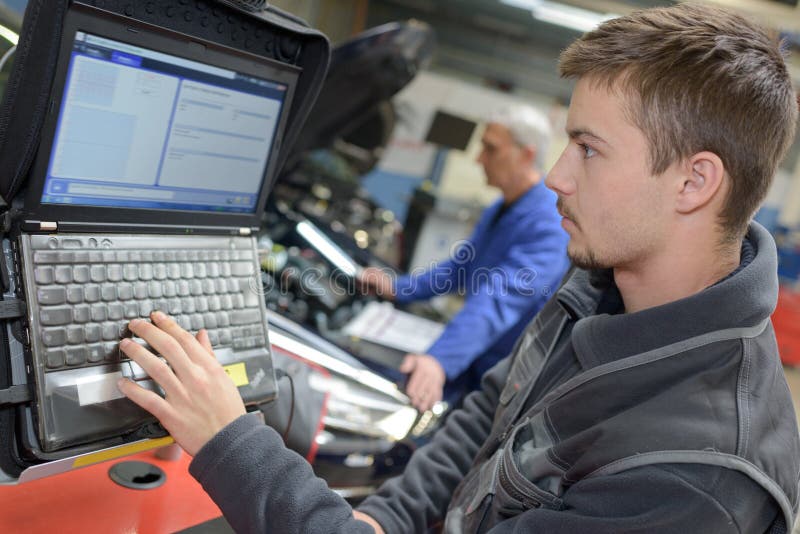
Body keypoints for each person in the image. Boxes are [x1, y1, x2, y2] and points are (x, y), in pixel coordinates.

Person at [117, 4, 800, 533]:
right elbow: (493, 415)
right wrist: (387, 516)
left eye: (589, 149)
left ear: (694, 182)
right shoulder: (603, 283)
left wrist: (229, 440)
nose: (557, 177)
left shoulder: (690, 478)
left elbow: (496, 298)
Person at [360, 105, 569, 411]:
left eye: (490, 149)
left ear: (526, 154)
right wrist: (398, 288)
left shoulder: (549, 222)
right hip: (477, 355)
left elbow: (501, 297)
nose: (479, 159)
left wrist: (440, 360)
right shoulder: (500, 207)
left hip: (506, 375)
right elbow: (460, 269)